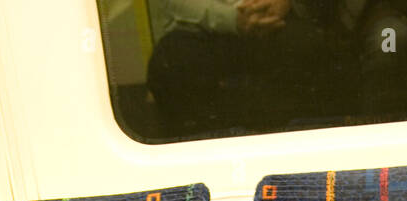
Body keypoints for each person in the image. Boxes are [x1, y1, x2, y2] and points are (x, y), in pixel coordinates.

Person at [147, 0, 348, 137]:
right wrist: (232, 19)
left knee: (318, 51)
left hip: (277, 18)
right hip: (200, 28)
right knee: (172, 63)